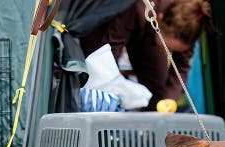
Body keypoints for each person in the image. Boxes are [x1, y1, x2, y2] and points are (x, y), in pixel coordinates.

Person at [80, 0, 212, 110]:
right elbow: (110, 50)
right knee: (101, 76)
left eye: (174, 50)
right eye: (167, 46)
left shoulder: (189, 28)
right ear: (159, 19)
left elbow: (181, 68)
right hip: (126, 20)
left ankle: (153, 131)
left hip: (151, 36)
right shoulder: (135, 8)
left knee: (158, 90)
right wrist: (105, 85)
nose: (168, 53)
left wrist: (169, 100)